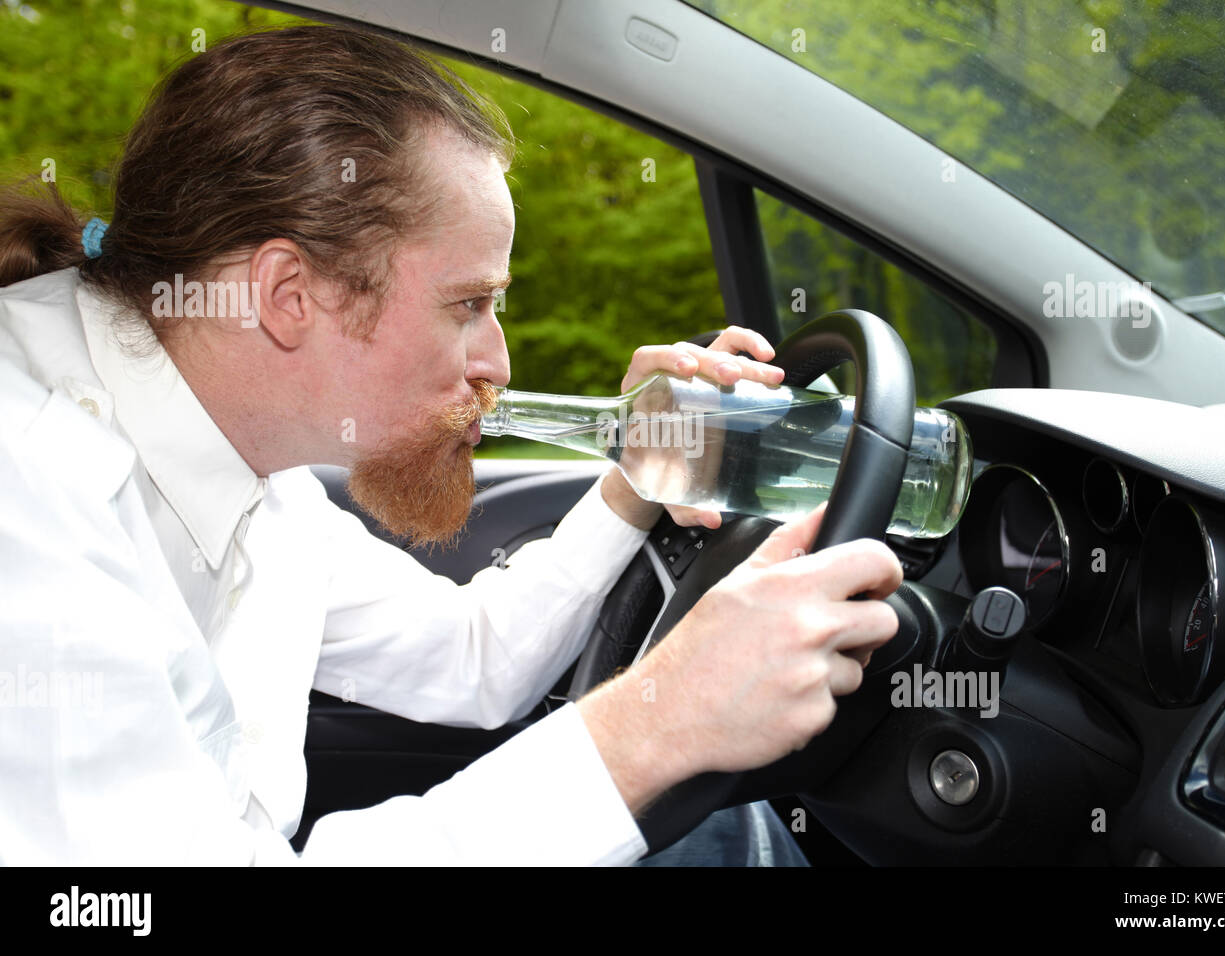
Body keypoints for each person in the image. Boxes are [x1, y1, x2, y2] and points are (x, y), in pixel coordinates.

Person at [0, 24, 902, 865]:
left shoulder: (254, 468)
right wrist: (662, 726)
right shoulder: (31, 488)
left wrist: (637, 476)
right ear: (285, 295)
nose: (496, 363)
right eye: (467, 305)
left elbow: (472, 659)